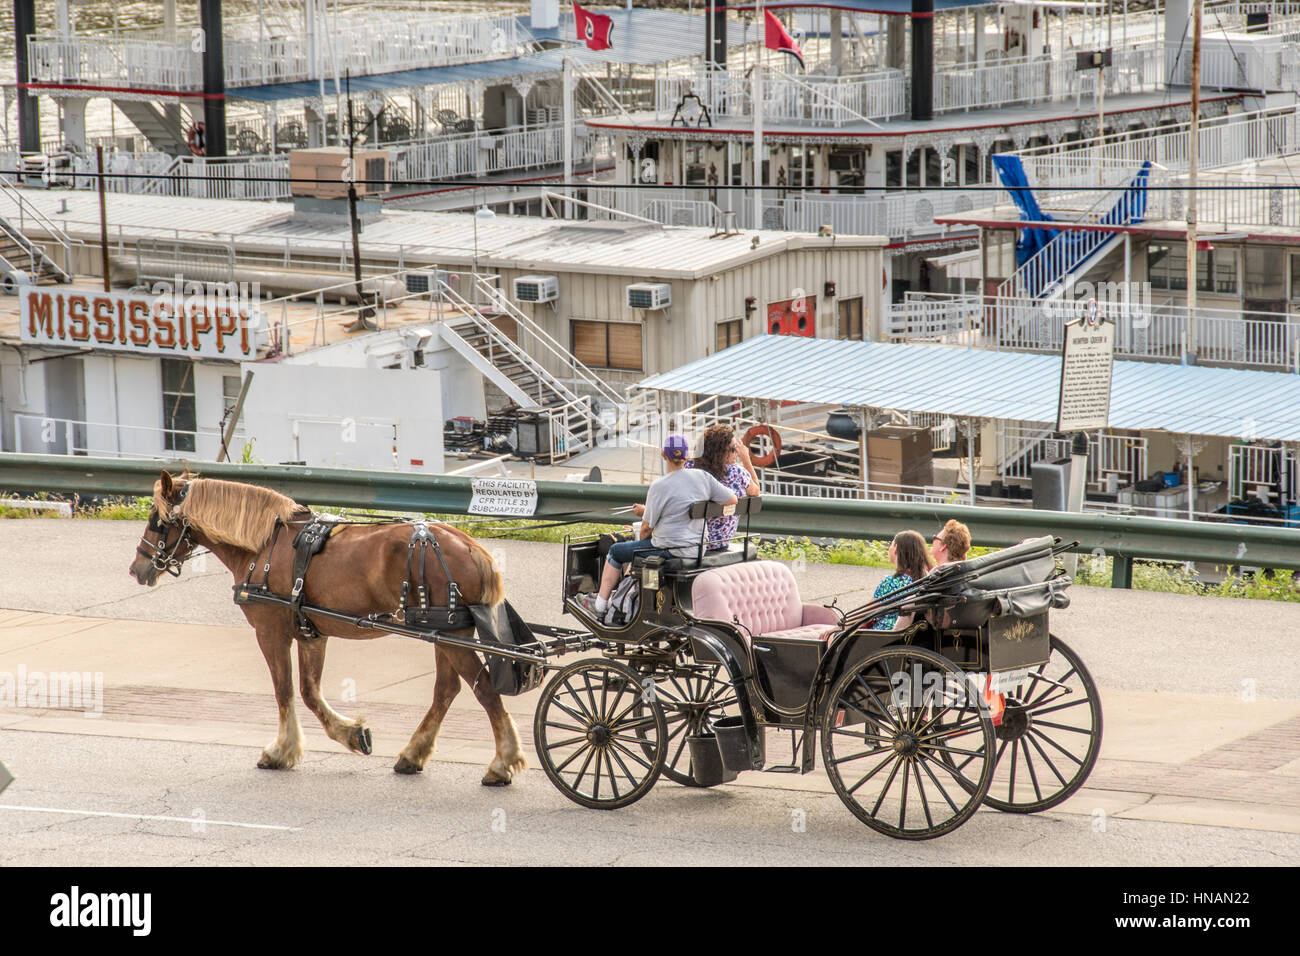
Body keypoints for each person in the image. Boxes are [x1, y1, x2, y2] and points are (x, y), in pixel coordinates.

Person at [576, 434, 737, 619]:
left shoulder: (659, 486)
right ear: (687, 456)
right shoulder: (702, 477)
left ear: (663, 455)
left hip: (670, 549)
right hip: (698, 549)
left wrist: (642, 529)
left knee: (616, 550)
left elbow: (645, 530)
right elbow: (732, 499)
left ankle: (600, 605)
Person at [632, 424, 760, 551]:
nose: (737, 452)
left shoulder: (689, 468)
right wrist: (746, 460)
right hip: (720, 544)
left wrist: (647, 512)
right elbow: (756, 491)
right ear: (720, 452)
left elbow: (677, 504)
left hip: (691, 543)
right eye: (733, 449)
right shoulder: (739, 474)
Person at [869, 530, 933, 630]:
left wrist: (837, 628)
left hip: (884, 636)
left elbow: (866, 615)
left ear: (896, 549)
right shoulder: (928, 579)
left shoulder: (890, 583)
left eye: (891, 544)